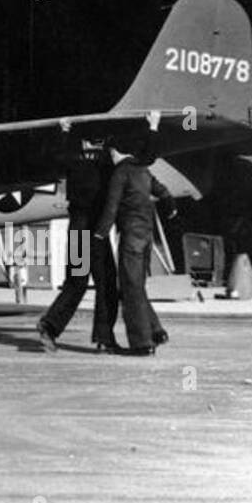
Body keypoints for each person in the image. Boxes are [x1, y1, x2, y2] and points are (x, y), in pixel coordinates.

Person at [37, 140, 120, 353]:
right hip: (96, 231)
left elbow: (56, 160)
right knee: (106, 283)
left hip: (77, 228)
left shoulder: (71, 155)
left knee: (76, 282)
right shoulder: (106, 159)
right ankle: (104, 338)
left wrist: (63, 134)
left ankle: (49, 326)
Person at [94, 136, 174, 355]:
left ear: (116, 152)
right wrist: (171, 208)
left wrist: (99, 234)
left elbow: (111, 207)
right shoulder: (143, 171)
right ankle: (156, 331)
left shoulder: (121, 172)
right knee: (137, 285)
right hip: (147, 235)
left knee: (130, 289)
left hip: (130, 236)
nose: (110, 157)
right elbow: (163, 191)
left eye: (111, 153)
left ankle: (141, 343)